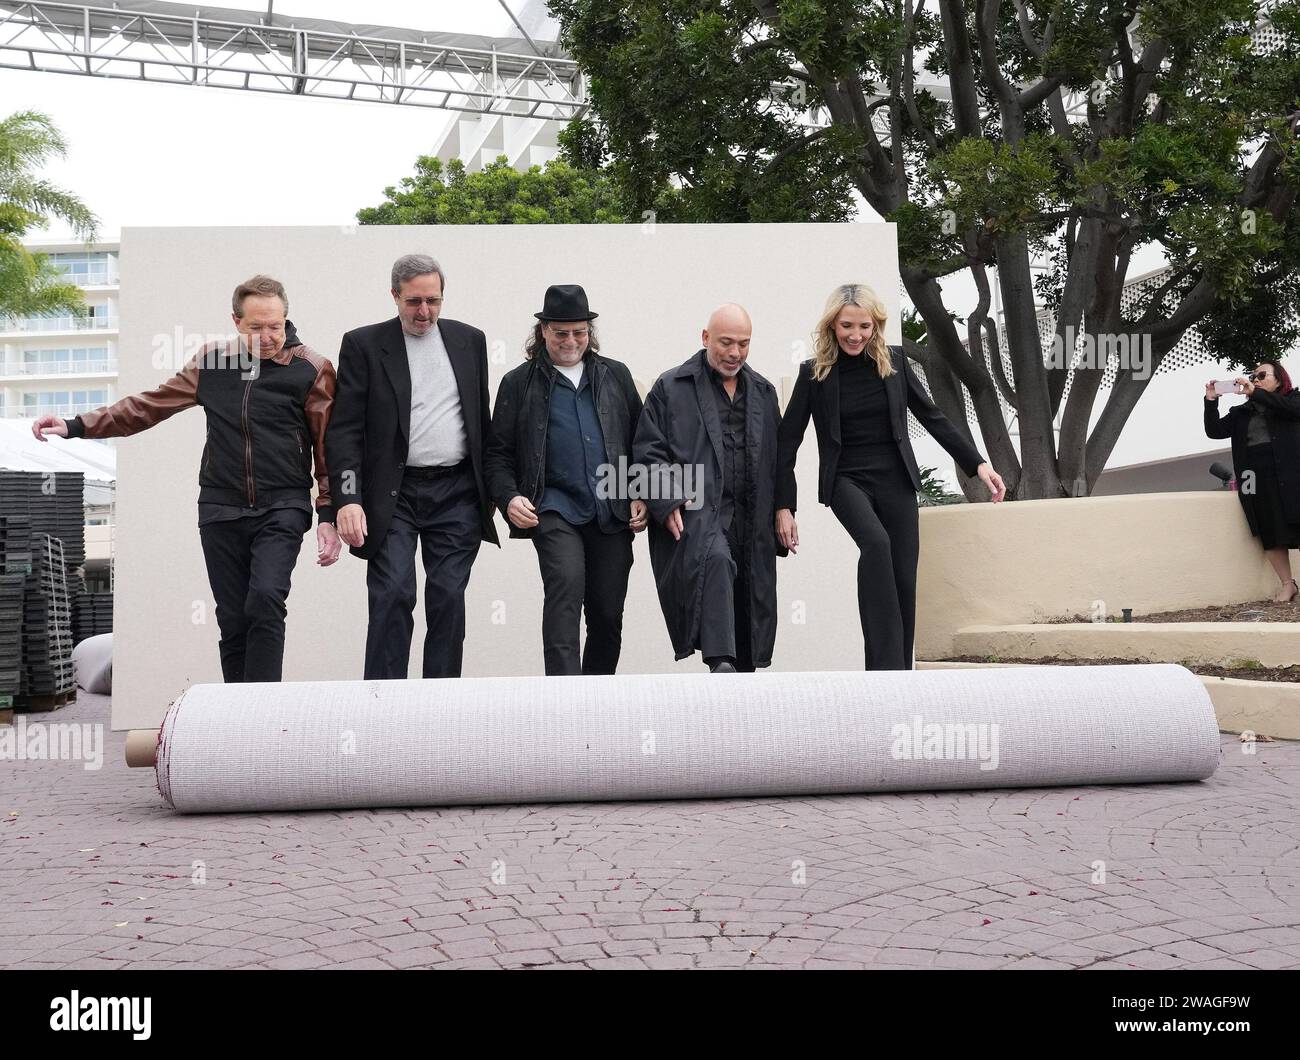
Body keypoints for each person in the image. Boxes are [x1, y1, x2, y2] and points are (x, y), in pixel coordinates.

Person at [31, 274, 341, 682]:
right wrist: (76, 424)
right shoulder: (212, 363)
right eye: (256, 327)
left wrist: (329, 513)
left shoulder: (312, 368)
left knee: (265, 600)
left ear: (287, 319)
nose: (268, 336)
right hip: (219, 506)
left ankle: (263, 710)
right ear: (235, 321)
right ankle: (234, 713)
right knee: (232, 616)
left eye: (276, 326)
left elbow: (327, 447)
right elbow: (148, 406)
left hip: (282, 505)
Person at [776, 283, 1006, 670]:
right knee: (876, 543)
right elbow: (787, 443)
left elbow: (932, 417)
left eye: (864, 326)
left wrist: (978, 464)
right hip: (846, 480)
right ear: (833, 325)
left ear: (875, 325)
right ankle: (881, 673)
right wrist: (783, 505)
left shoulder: (894, 363)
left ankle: (900, 674)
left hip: (895, 478)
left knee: (903, 578)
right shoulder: (814, 374)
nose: (856, 334)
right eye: (847, 325)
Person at [326, 253, 500, 679]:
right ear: (394, 296)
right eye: (414, 301)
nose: (424, 312)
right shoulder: (364, 344)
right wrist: (346, 499)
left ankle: (438, 706)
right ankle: (382, 707)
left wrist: (496, 490)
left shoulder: (469, 340)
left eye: (434, 301)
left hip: (457, 493)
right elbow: (344, 430)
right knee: (392, 593)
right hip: (393, 495)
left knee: (447, 596)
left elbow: (482, 422)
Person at [485, 285, 647, 675]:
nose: (570, 341)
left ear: (589, 332)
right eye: (561, 333)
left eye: (579, 332)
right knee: (565, 589)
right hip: (553, 508)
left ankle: (595, 696)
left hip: (612, 510)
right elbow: (496, 454)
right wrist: (508, 497)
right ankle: (563, 697)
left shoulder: (616, 375)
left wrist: (642, 493)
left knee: (607, 612)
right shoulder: (517, 383)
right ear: (542, 332)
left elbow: (643, 440)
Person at [633, 304, 785, 672]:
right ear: (705, 338)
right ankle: (720, 664)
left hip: (752, 516)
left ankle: (740, 677)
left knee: (750, 597)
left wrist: (784, 508)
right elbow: (646, 451)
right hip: (699, 512)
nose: (735, 353)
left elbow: (780, 461)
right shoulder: (671, 387)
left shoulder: (763, 392)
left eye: (744, 344)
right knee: (715, 561)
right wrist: (666, 499)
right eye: (726, 343)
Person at [1204, 361, 1300, 603]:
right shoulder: (1241, 413)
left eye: (1261, 375)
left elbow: (1291, 411)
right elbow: (1214, 430)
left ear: (1279, 379)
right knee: (1270, 530)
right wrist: (1211, 401)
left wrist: (1255, 392)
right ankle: (1288, 585)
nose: (1255, 379)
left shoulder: (1292, 400)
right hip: (1256, 480)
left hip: (1292, 475)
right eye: (1252, 376)